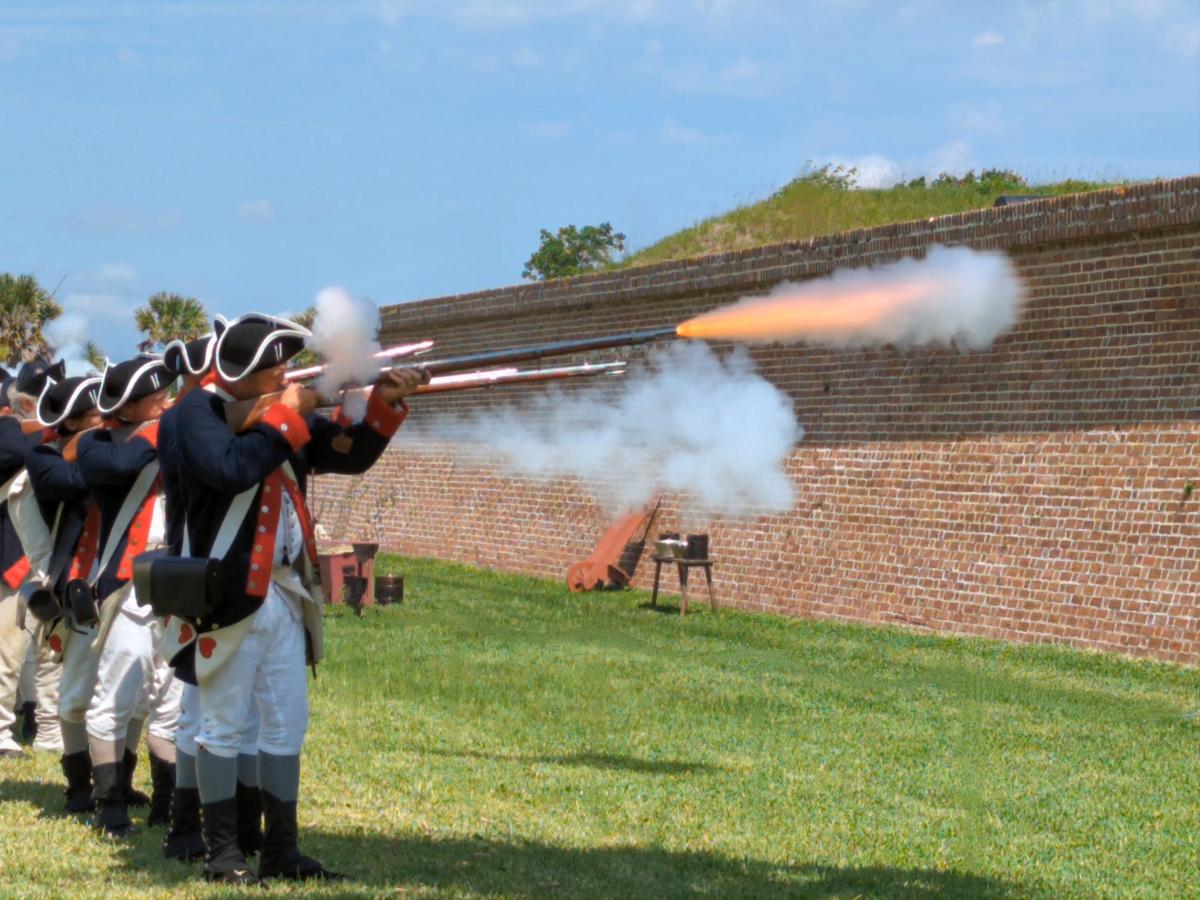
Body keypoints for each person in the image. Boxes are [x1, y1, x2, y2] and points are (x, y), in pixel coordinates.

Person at [172, 312, 423, 884]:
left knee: (286, 726)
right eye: (275, 366)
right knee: (223, 725)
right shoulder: (198, 414)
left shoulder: (275, 419)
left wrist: (383, 404)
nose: (287, 372)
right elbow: (230, 468)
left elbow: (348, 454)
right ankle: (223, 854)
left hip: (285, 595)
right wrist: (287, 413)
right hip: (227, 598)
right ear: (248, 372)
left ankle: (281, 852)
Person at [76, 354, 181, 837]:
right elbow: (124, 461)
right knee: (115, 694)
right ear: (128, 407)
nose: (164, 404)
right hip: (127, 584)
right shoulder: (97, 445)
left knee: (170, 696)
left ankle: (168, 803)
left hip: (181, 579)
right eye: (155, 399)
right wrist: (181, 420)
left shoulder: (174, 434)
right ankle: (110, 806)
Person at [23, 374, 104, 810]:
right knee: (75, 693)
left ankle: (118, 783)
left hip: (118, 579)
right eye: (96, 413)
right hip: (75, 584)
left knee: (132, 697)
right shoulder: (43, 457)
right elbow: (73, 480)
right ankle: (79, 787)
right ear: (73, 422)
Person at [0, 360, 65, 758]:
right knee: (8, 649)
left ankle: (48, 728)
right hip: (12, 560)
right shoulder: (11, 433)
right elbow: (19, 447)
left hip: (45, 559)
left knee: (50, 649)